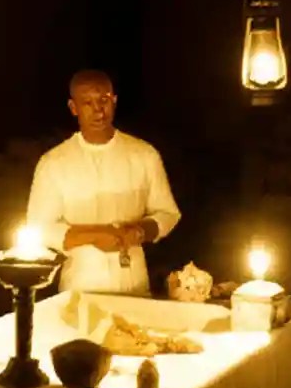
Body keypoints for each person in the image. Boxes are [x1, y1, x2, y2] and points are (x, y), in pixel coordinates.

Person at [25, 69, 181, 295]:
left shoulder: (144, 155)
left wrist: (139, 231)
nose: (98, 110)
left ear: (114, 100)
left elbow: (167, 213)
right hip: (81, 283)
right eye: (87, 102)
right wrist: (95, 236)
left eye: (103, 100)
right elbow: (39, 227)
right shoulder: (54, 163)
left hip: (133, 280)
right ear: (73, 108)